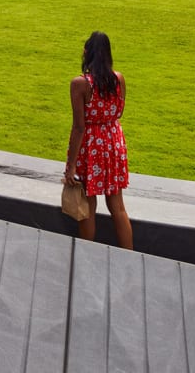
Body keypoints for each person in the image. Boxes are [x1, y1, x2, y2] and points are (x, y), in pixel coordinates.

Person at [63, 31, 133, 249]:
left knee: (88, 206)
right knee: (117, 206)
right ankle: (130, 255)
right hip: (114, 142)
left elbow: (79, 127)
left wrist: (71, 164)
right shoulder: (118, 79)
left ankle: (87, 256)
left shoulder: (80, 84)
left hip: (92, 144)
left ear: (86, 53)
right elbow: (118, 112)